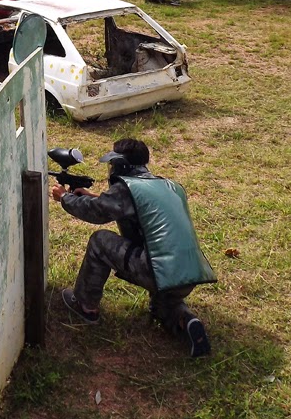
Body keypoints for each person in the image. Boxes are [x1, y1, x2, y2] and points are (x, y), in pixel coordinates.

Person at [51, 138, 216, 357]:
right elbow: (131, 208)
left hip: (156, 270)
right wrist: (93, 196)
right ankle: (187, 321)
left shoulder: (126, 190)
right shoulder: (170, 186)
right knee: (163, 306)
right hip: (187, 273)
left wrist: (64, 197)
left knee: (100, 240)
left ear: (120, 164)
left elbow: (96, 213)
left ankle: (85, 305)